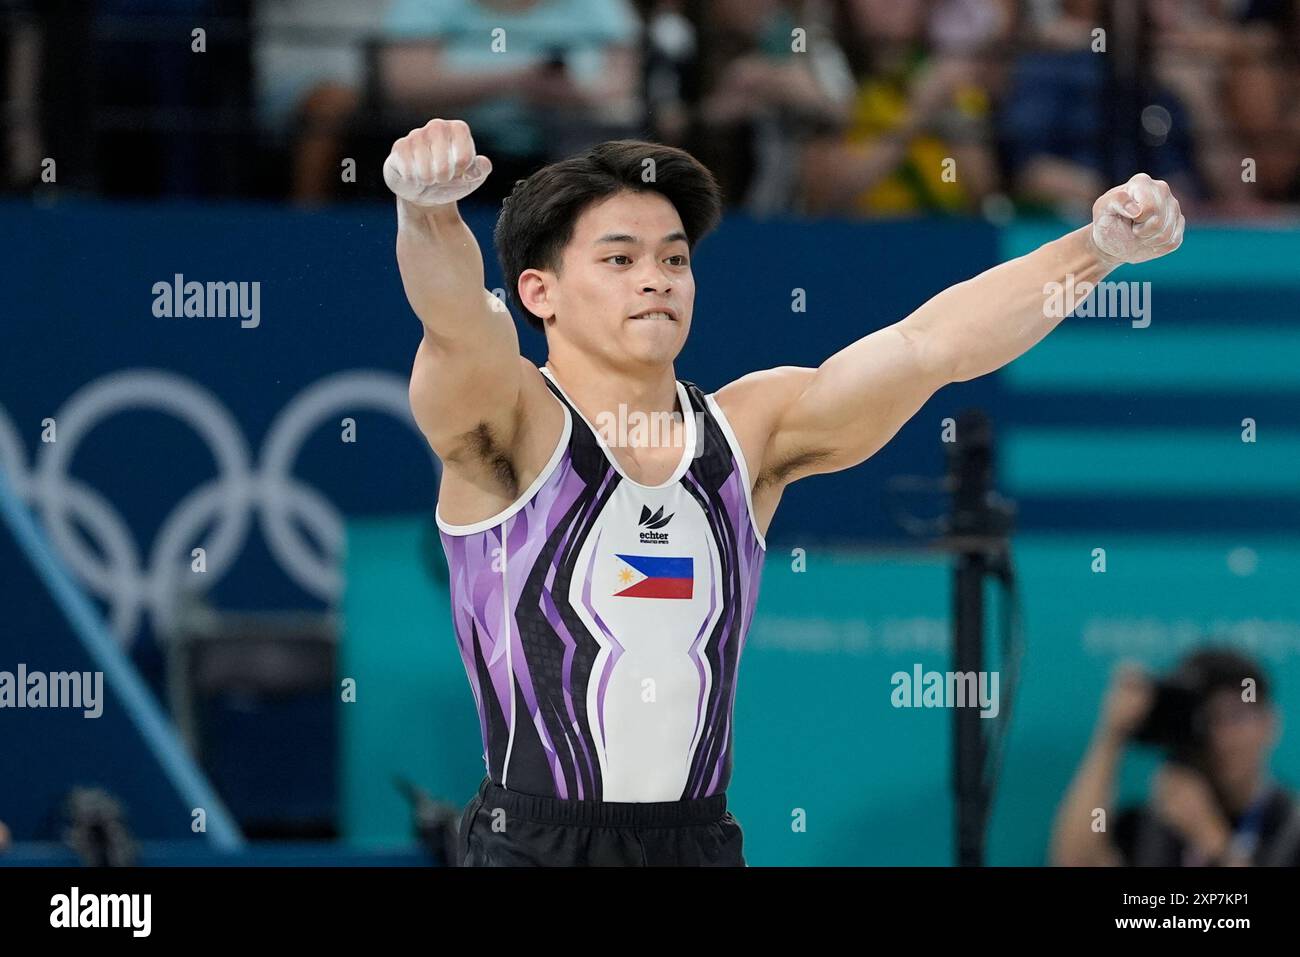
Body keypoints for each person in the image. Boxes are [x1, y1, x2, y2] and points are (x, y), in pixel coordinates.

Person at [386, 117, 1183, 866]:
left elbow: (932, 345)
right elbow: (456, 324)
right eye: (620, 260)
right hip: (533, 844)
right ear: (539, 292)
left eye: (674, 260)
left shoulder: (749, 433)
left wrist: (1096, 247)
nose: (656, 280)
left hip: (698, 841)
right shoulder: (513, 428)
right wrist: (427, 214)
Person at [1051, 649, 1300, 867]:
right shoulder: (1151, 827)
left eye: (1236, 717)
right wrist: (1111, 737)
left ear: (1269, 723)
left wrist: (1216, 845)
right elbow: (1076, 861)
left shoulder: (1290, 827)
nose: (1222, 738)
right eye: (1207, 720)